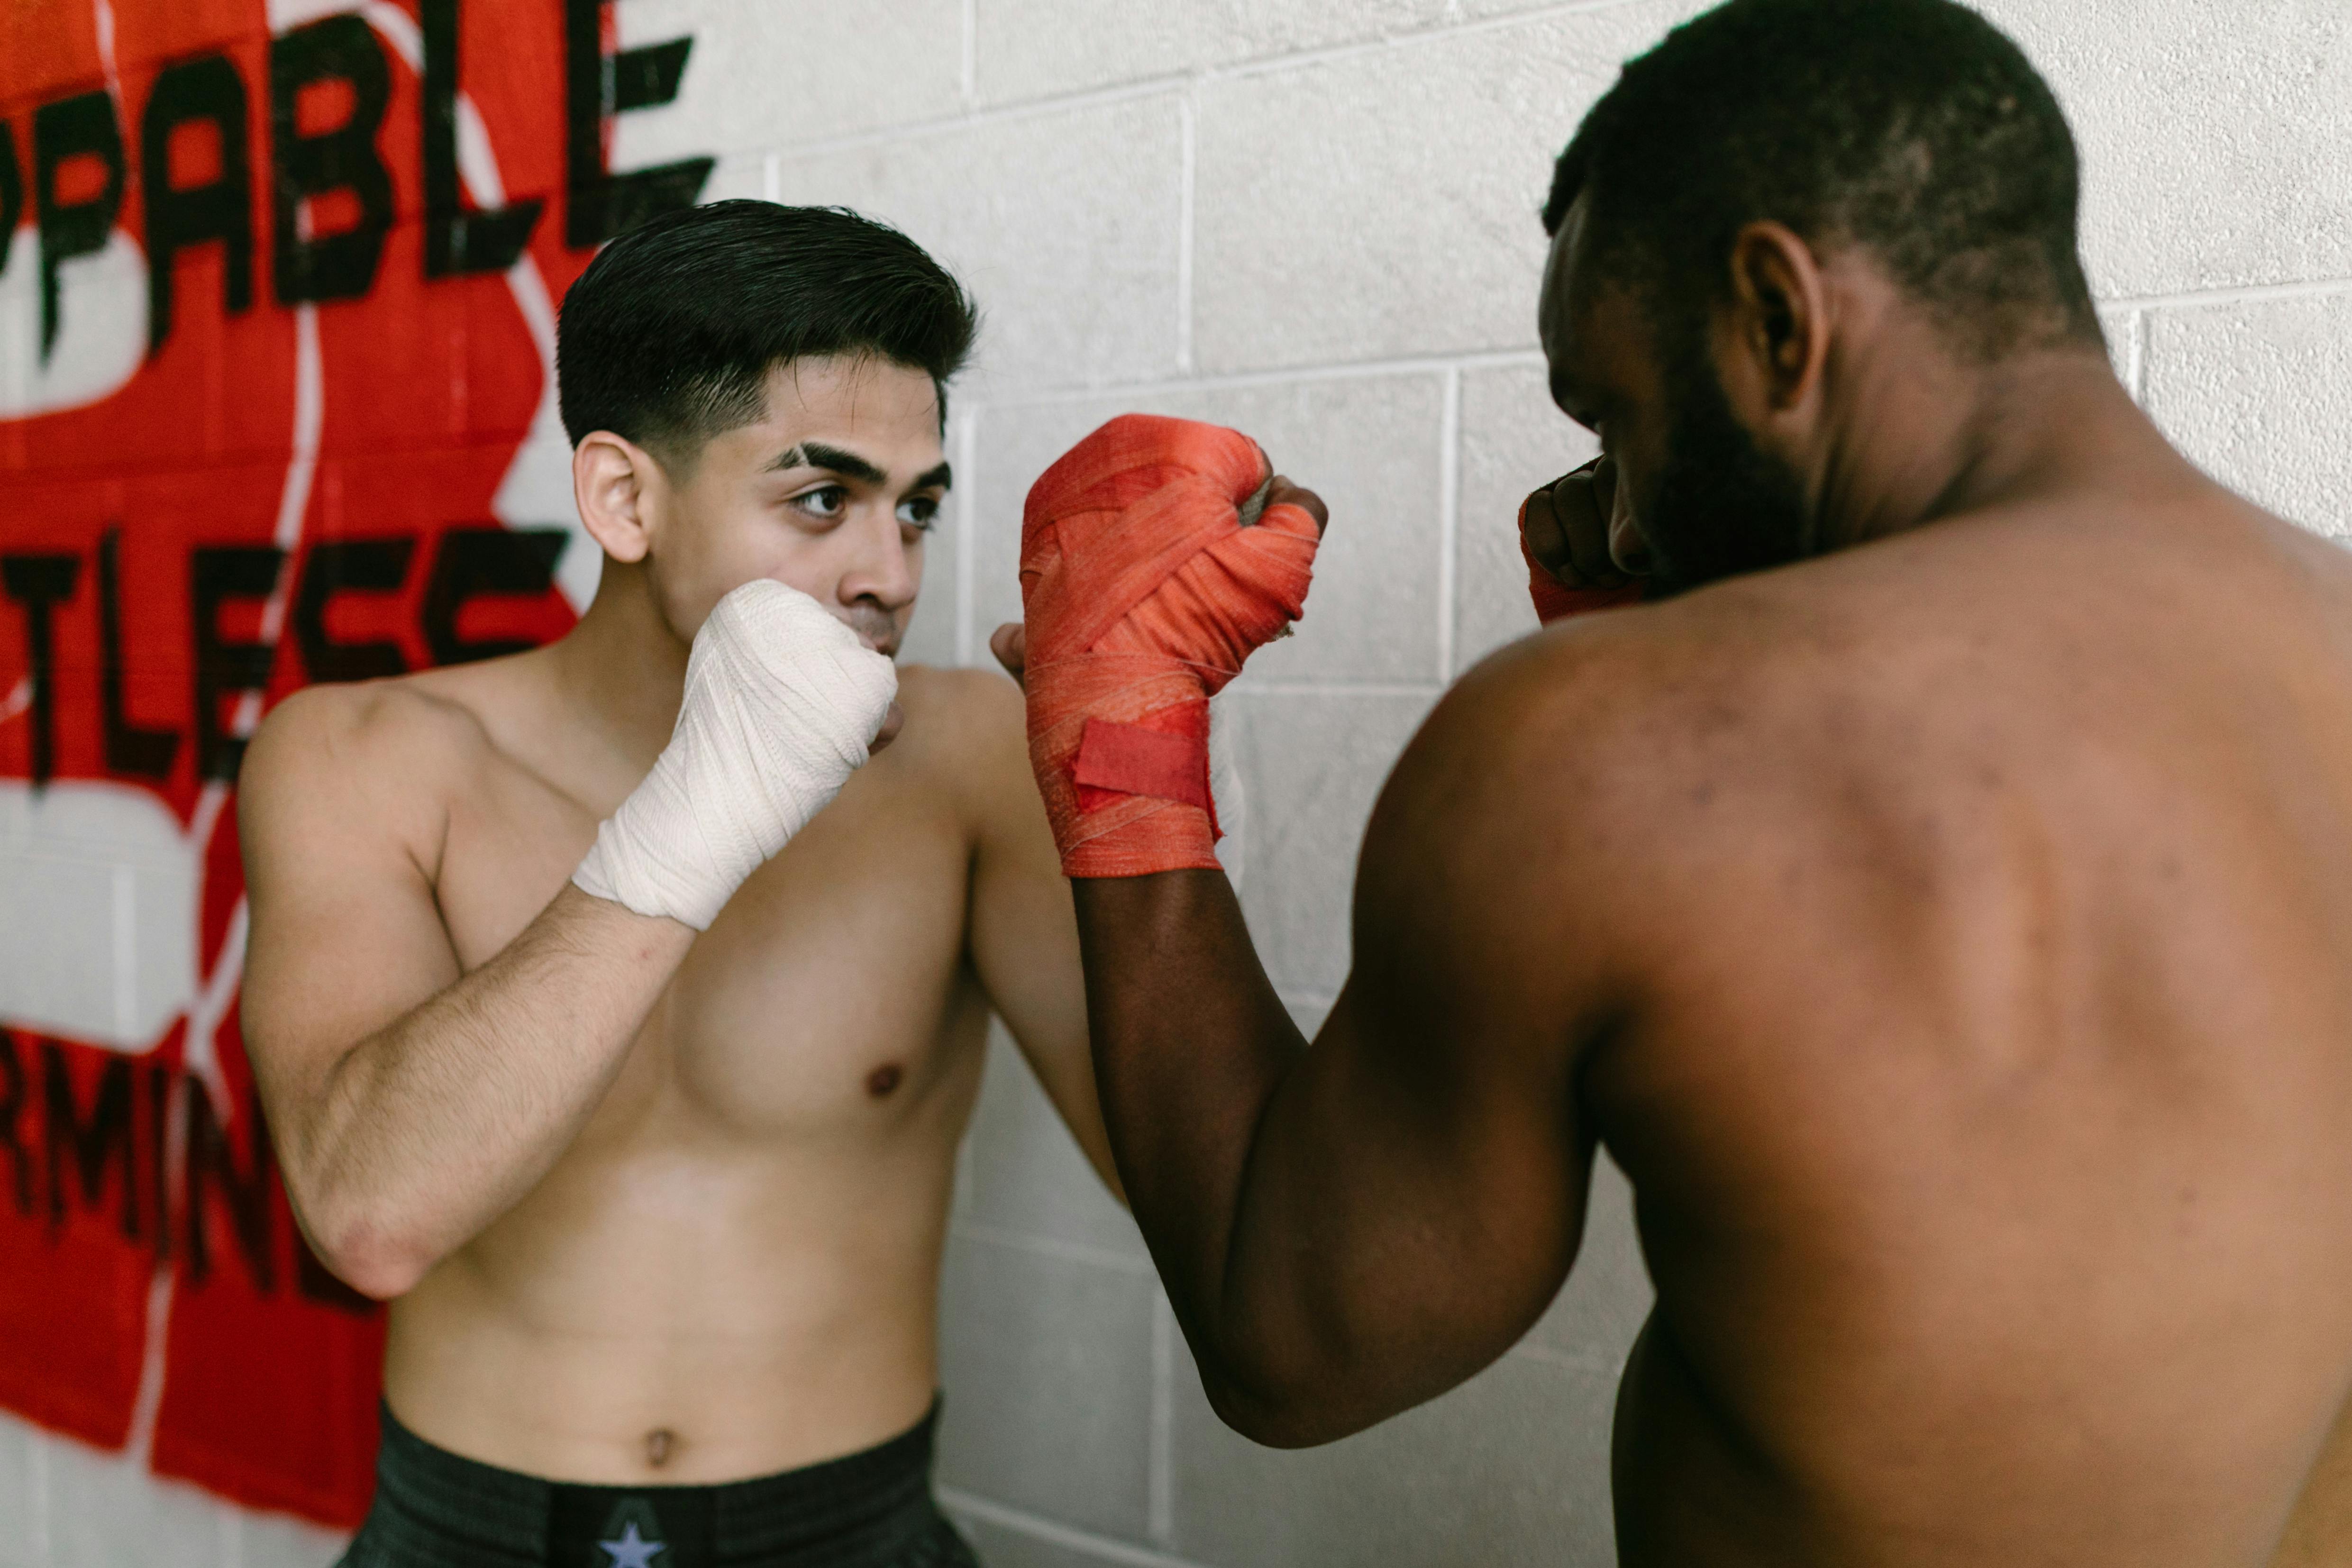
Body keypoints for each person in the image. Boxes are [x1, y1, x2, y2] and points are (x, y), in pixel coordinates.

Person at [991, 0, 2352, 1561]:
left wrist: (1120, 729)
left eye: (1615, 414)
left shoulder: (1605, 753)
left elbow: (1293, 1339)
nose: (1623, 520)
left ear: (1778, 316)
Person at [240, 200, 1114, 1568]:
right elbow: (370, 1211)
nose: (888, 575)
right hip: (468, 1530)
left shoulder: (964, 765)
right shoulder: (369, 756)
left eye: (916, 507)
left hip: (842, 1528)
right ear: (624, 498)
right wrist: (697, 815)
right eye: (822, 498)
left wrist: (1152, 768)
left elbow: (1195, 1195)